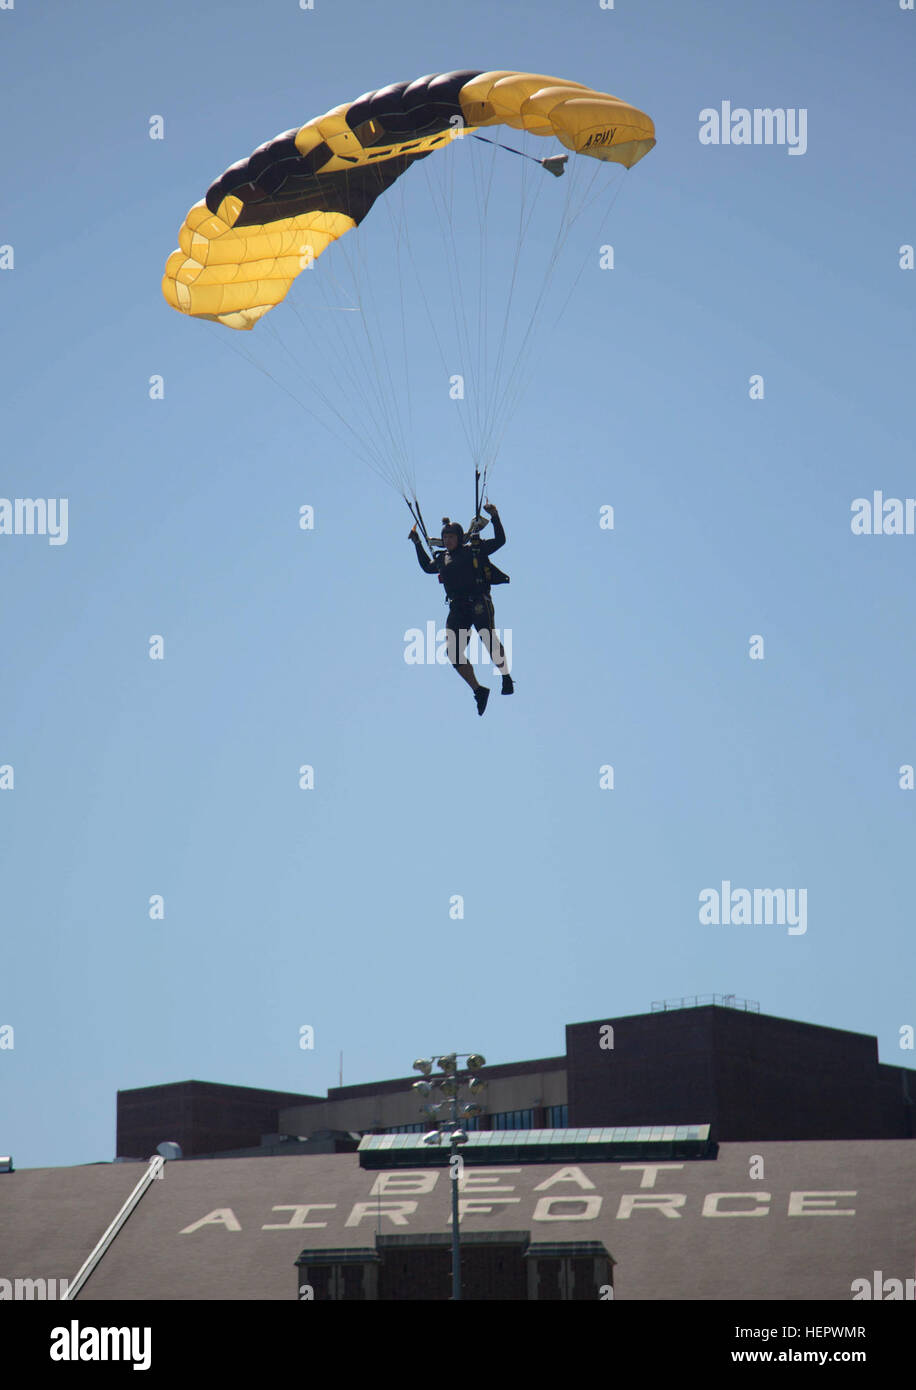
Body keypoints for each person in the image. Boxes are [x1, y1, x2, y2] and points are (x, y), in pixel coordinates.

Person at [409, 502, 513, 715]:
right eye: (444, 537)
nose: (447, 541)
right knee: (453, 652)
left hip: (477, 601)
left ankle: (505, 676)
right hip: (457, 608)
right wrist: (417, 542)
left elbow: (501, 541)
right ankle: (479, 690)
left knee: (488, 638)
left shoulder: (473, 550)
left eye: (451, 537)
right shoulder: (442, 559)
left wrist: (494, 516)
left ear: (459, 537)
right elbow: (426, 567)